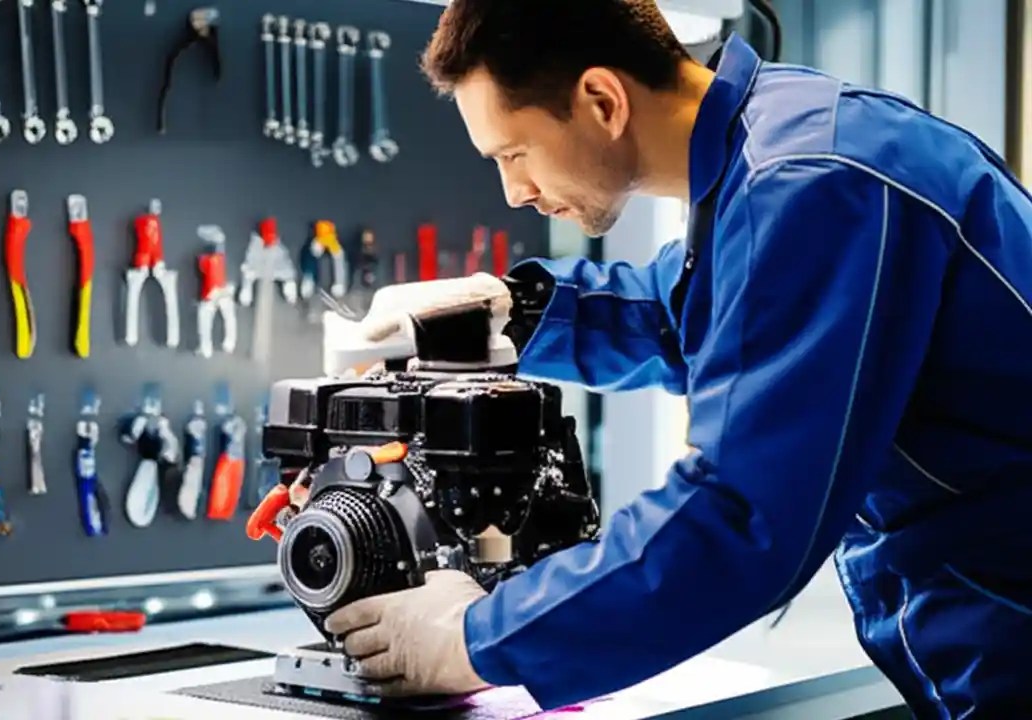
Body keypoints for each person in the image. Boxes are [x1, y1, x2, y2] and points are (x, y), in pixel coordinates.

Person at [321, 0, 1032, 716]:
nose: (515, 193)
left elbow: (742, 514)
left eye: (514, 154)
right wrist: (510, 311)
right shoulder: (776, 141)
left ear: (603, 101)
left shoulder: (809, 181)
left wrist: (473, 639)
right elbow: (681, 313)